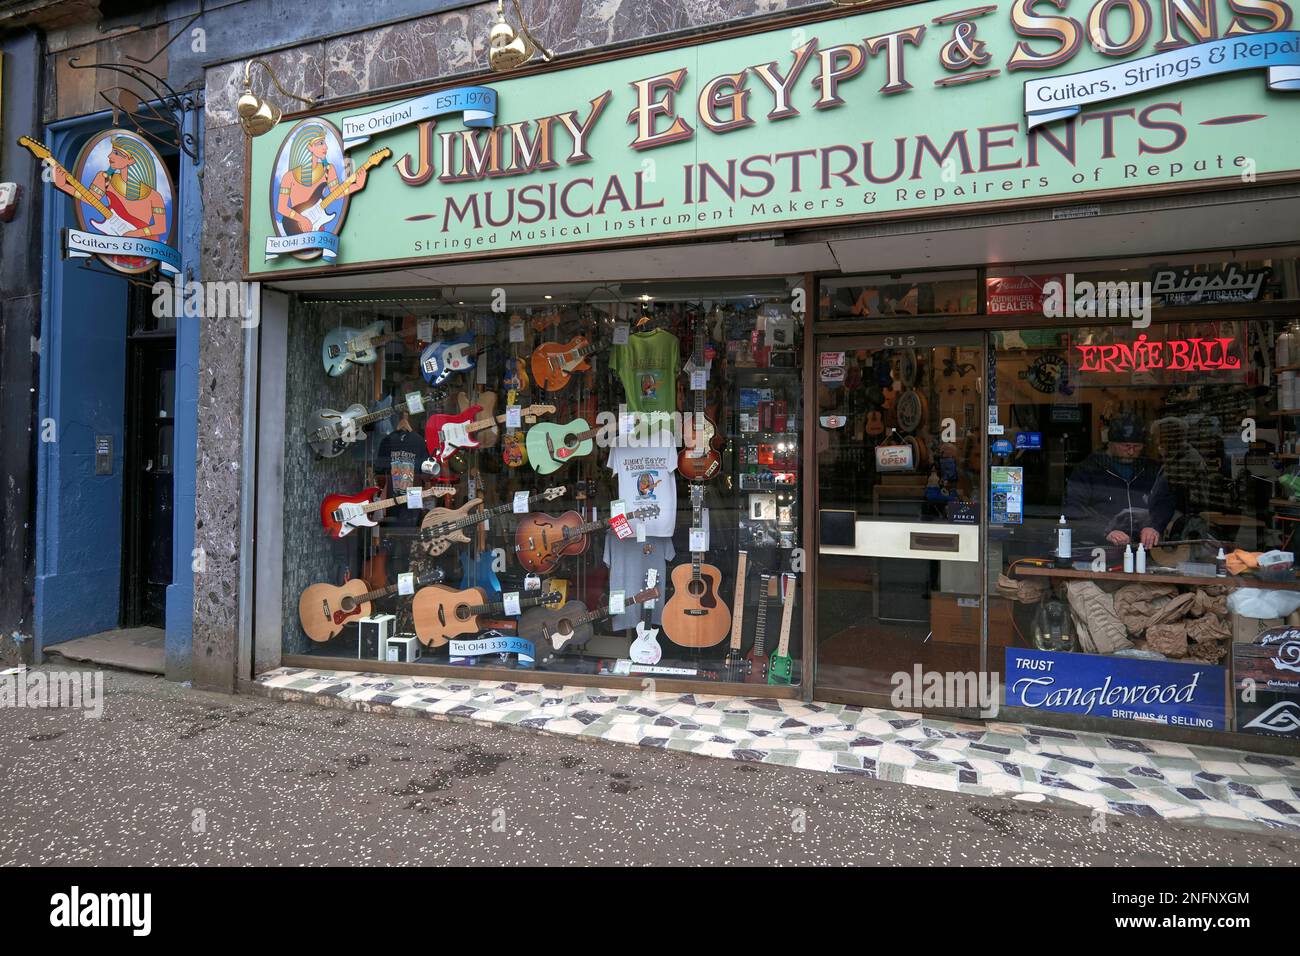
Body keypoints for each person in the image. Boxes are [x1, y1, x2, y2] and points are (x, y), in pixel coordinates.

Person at [1064, 412, 1175, 549]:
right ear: (1111, 443)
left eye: (1137, 446)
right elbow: (1074, 508)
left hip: (1145, 548)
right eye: (1126, 446)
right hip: (1102, 548)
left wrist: (1154, 526)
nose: (1131, 451)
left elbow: (1165, 502)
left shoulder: (1152, 469)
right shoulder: (1087, 470)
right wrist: (1104, 530)